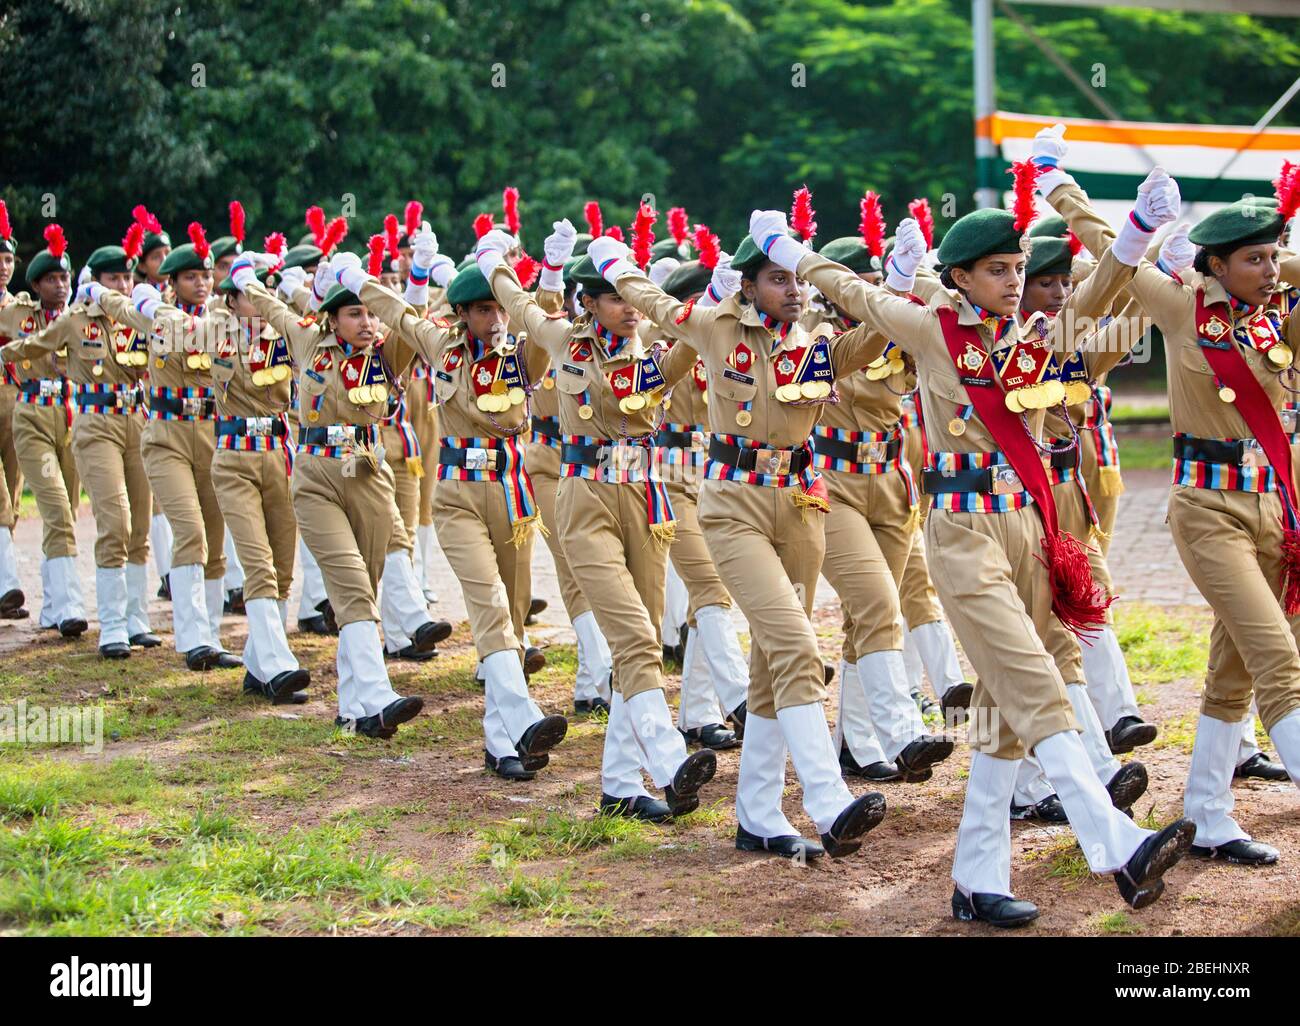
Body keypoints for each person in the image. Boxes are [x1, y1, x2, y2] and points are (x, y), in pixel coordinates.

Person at [753, 147, 1194, 918]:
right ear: (958, 278)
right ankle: (1115, 844)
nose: (1014, 280)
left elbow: (1093, 301)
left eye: (1017, 266)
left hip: (1028, 524)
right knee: (1032, 678)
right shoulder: (930, 331)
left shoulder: (1030, 335)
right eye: (995, 269)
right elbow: (854, 292)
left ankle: (976, 879)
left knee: (996, 716)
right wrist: (794, 254)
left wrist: (1133, 232)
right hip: (962, 533)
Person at [590, 215, 901, 861]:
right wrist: (614, 260)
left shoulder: (819, 338)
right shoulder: (715, 328)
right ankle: (825, 798)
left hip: (802, 506)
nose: (792, 289)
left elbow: (881, 333)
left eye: (796, 278)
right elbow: (651, 301)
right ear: (748, 284)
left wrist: (893, 279)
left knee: (770, 663)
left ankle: (757, 814)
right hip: (732, 507)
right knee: (793, 642)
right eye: (777, 278)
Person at [1044, 143, 1300, 867]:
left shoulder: (1281, 306)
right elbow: (1109, 250)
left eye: (1274, 255)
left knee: (1235, 670)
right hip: (1207, 511)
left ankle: (1209, 817)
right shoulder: (1181, 301)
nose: (1269, 269)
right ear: (1215, 265)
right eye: (1252, 259)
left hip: (1277, 508)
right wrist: (1063, 184)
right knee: (1281, 660)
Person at [478, 219, 717, 823]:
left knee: (639, 649)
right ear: (588, 302)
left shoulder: (657, 356)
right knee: (635, 637)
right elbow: (521, 307)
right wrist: (505, 264)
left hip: (648, 499)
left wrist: (714, 296)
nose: (628, 307)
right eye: (614, 295)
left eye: (631, 295)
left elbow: (700, 339)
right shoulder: (565, 343)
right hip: (585, 499)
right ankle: (666, 763)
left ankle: (617, 786)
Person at [360, 226, 569, 779]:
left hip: (511, 489)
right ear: (461, 314)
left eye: (499, 308)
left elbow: (546, 327)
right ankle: (522, 718)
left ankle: (500, 743)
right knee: (489, 603)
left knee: (516, 610)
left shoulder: (524, 357)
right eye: (481, 310)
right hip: (454, 494)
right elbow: (403, 315)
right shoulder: (441, 345)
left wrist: (548, 275)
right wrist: (360, 280)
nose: (495, 319)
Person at [233, 248, 430, 738]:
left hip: (370, 473)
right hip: (317, 475)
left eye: (368, 312)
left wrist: (411, 278)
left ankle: (352, 708)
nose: (365, 321)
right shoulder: (309, 344)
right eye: (353, 313)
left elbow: (408, 319)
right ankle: (379, 694)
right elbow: (275, 308)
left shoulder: (387, 353)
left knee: (365, 582)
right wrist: (250, 279)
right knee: (350, 583)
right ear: (332, 318)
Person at [3, 233, 158, 657]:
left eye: (128, 277)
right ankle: (101, 622)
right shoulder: (73, 319)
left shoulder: (136, 319)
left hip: (130, 421)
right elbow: (31, 345)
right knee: (100, 517)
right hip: (74, 420)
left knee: (136, 525)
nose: (123, 285)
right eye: (114, 277)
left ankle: (135, 619)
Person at [93, 224, 240, 670]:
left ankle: (210, 634)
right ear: (171, 283)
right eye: (190, 276)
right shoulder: (155, 314)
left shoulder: (221, 318)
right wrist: (102, 294)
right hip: (167, 436)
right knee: (189, 530)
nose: (201, 282)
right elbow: (121, 305)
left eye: (206, 274)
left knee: (215, 538)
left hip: (213, 434)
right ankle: (191, 637)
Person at [210, 260, 311, 703]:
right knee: (257, 563)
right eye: (250, 293)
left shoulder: (285, 335)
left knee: (284, 569)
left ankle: (257, 661)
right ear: (231, 301)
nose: (260, 302)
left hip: (278, 454)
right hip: (233, 458)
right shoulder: (213, 331)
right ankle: (276, 665)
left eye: (264, 293)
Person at [0, 225, 85, 637]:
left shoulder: (80, 318)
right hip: (31, 412)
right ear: (35, 284)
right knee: (53, 504)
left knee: (66, 508)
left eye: (65, 277)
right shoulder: (18, 314)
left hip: (71, 416)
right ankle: (69, 604)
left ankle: (52, 606)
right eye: (51, 279)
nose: (60, 285)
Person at [0, 201, 29, 619]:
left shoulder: (22, 305)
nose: (3, 266)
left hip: (16, 400)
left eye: (7, 258)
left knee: (15, 485)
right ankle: (8, 581)